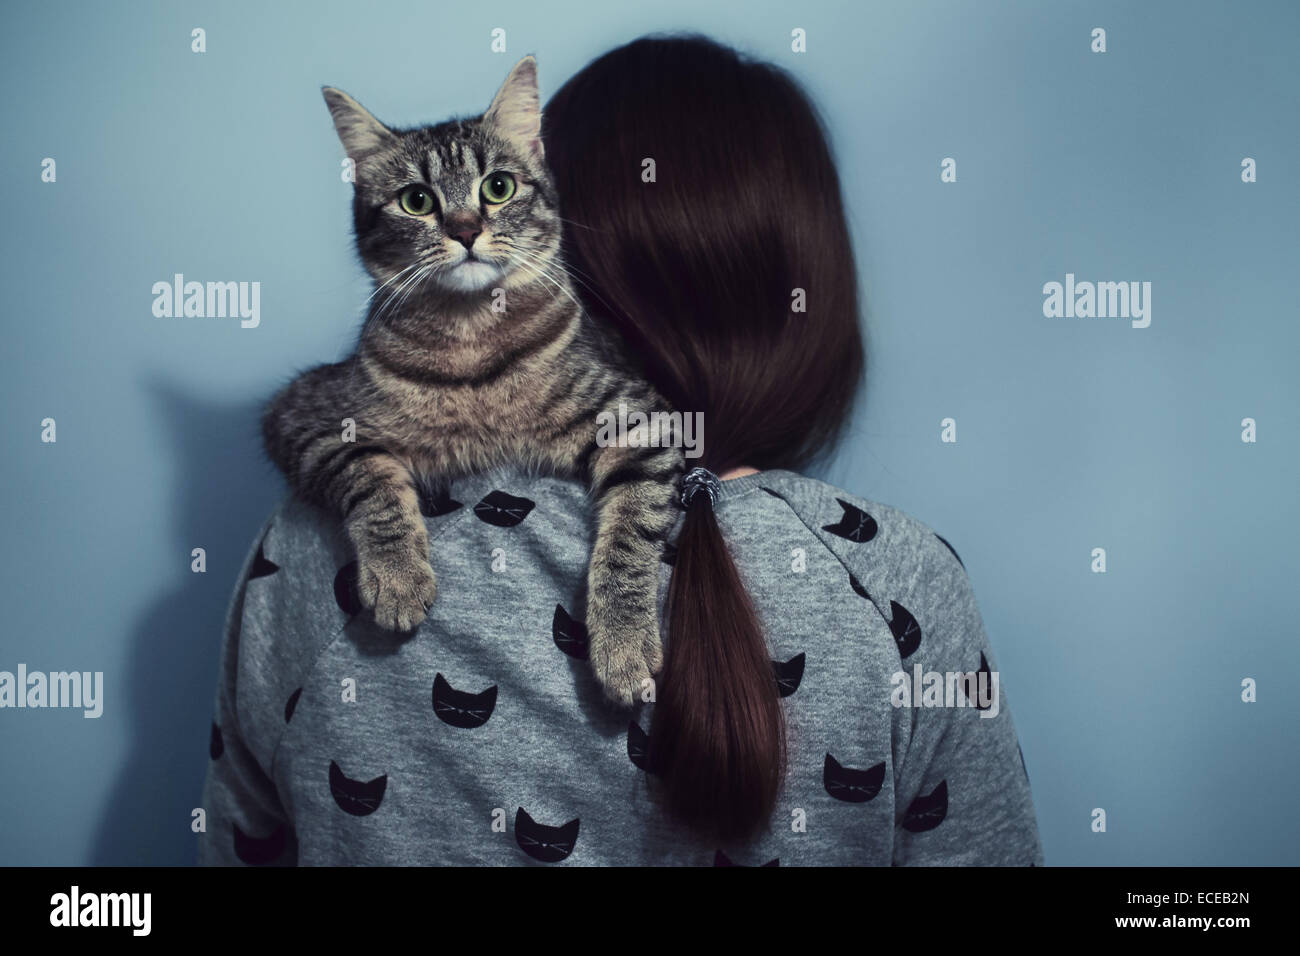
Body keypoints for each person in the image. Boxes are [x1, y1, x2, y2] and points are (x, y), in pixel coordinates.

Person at [198, 33, 1044, 866]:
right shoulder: (902, 585)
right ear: (821, 291)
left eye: (499, 190)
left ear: (577, 235)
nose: (465, 224)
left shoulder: (306, 558)